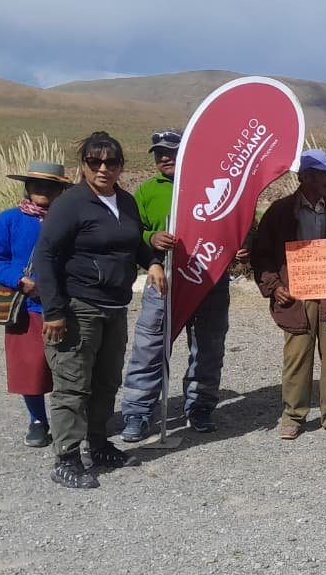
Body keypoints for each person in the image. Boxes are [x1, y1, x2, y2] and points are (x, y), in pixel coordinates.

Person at [34, 131, 165, 488]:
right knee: (73, 383)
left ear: (122, 166)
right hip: (79, 306)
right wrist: (54, 311)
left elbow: (133, 242)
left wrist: (152, 262)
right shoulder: (71, 203)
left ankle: (98, 442)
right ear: (84, 165)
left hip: (115, 305)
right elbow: (45, 256)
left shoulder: (124, 202)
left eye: (112, 162)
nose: (104, 168)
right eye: (95, 161)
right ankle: (67, 457)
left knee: (106, 381)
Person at [119, 130, 245, 441]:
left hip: (210, 280)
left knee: (208, 346)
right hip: (163, 278)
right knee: (150, 347)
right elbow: (131, 233)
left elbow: (237, 224)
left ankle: (200, 406)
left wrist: (239, 245)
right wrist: (151, 239)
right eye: (158, 153)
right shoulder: (147, 192)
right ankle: (138, 412)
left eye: (171, 152)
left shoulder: (215, 186)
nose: (164, 158)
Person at [250, 149, 326, 441]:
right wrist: (275, 287)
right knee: (298, 355)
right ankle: (293, 415)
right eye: (323, 174)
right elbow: (261, 254)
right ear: (304, 177)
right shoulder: (280, 211)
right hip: (296, 292)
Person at [0, 160, 71, 447]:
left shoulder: (71, 220)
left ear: (60, 190)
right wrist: (22, 281)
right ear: (27, 186)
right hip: (27, 306)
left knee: (69, 368)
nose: (42, 189)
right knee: (31, 368)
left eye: (50, 185)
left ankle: (69, 422)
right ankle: (37, 420)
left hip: (65, 304)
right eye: (37, 184)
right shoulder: (9, 219)